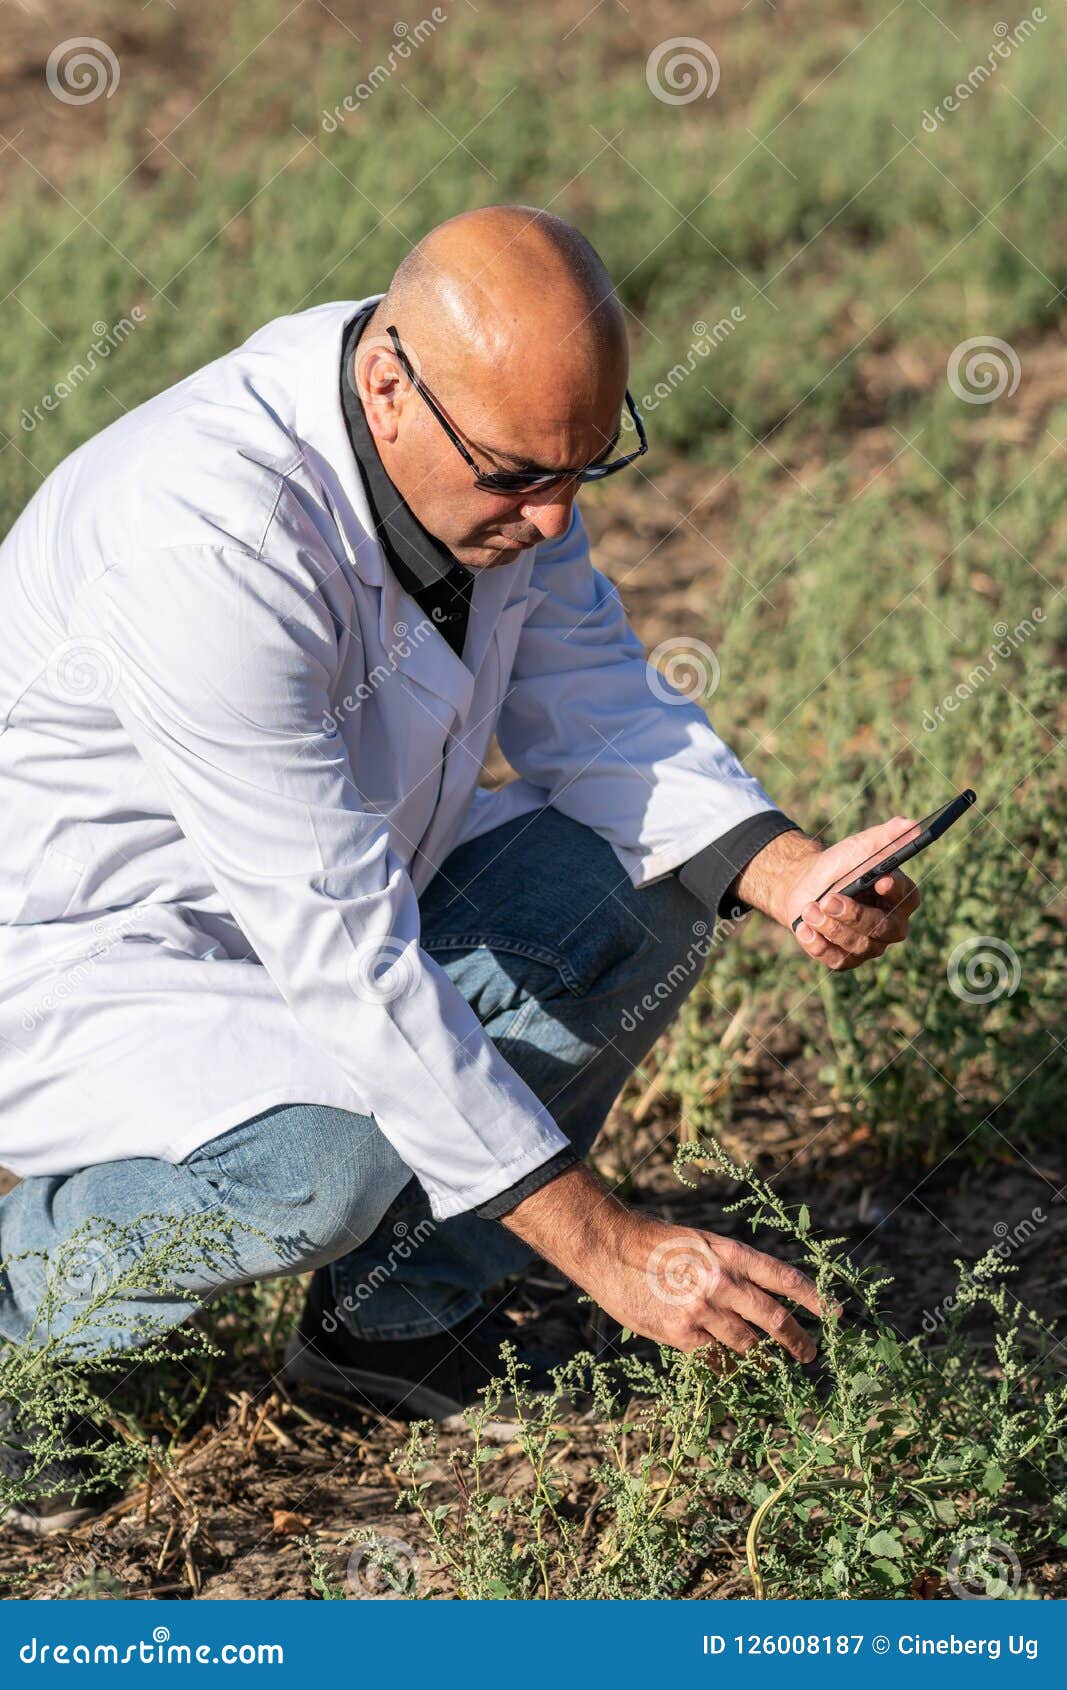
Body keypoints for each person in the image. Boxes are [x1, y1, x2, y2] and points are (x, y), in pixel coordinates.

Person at [0, 206, 919, 1531]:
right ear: (389, 390)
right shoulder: (206, 540)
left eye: (582, 469)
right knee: (334, 1149)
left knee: (650, 885)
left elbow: (593, 694)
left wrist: (787, 871)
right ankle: (30, 1317)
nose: (551, 518)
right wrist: (608, 1250)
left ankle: (395, 1319)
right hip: (85, 956)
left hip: (311, 889)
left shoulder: (493, 443)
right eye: (517, 477)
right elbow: (346, 958)